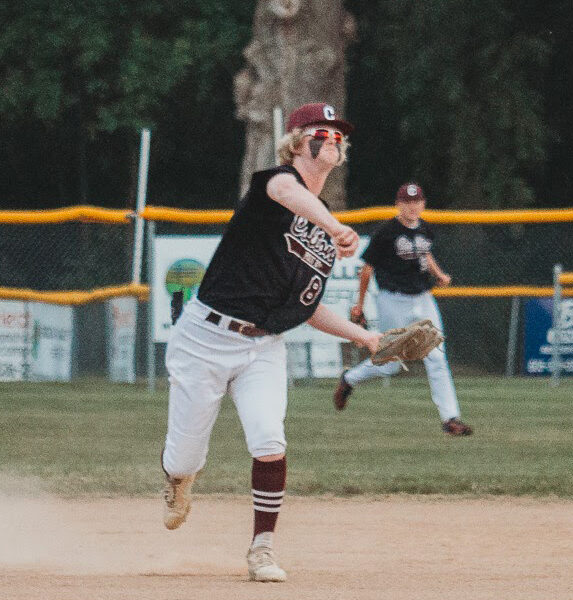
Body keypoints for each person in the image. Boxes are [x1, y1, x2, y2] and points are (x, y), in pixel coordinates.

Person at [161, 102, 381, 583]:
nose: (334, 140)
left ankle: (261, 549)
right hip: (204, 337)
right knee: (184, 458)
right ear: (300, 141)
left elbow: (308, 307)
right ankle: (178, 479)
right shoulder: (274, 186)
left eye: (340, 135)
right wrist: (334, 225)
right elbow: (289, 192)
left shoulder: (324, 240)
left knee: (269, 440)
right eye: (325, 132)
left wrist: (365, 335)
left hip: (262, 346)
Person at [334, 182, 473, 436]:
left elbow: (424, 253)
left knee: (437, 358)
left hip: (423, 298)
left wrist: (439, 274)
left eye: (416, 201)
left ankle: (450, 418)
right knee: (390, 364)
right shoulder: (386, 232)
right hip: (393, 300)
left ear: (423, 203)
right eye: (407, 202)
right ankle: (349, 379)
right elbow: (367, 269)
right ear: (398, 204)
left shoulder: (426, 230)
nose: (412, 206)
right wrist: (359, 305)